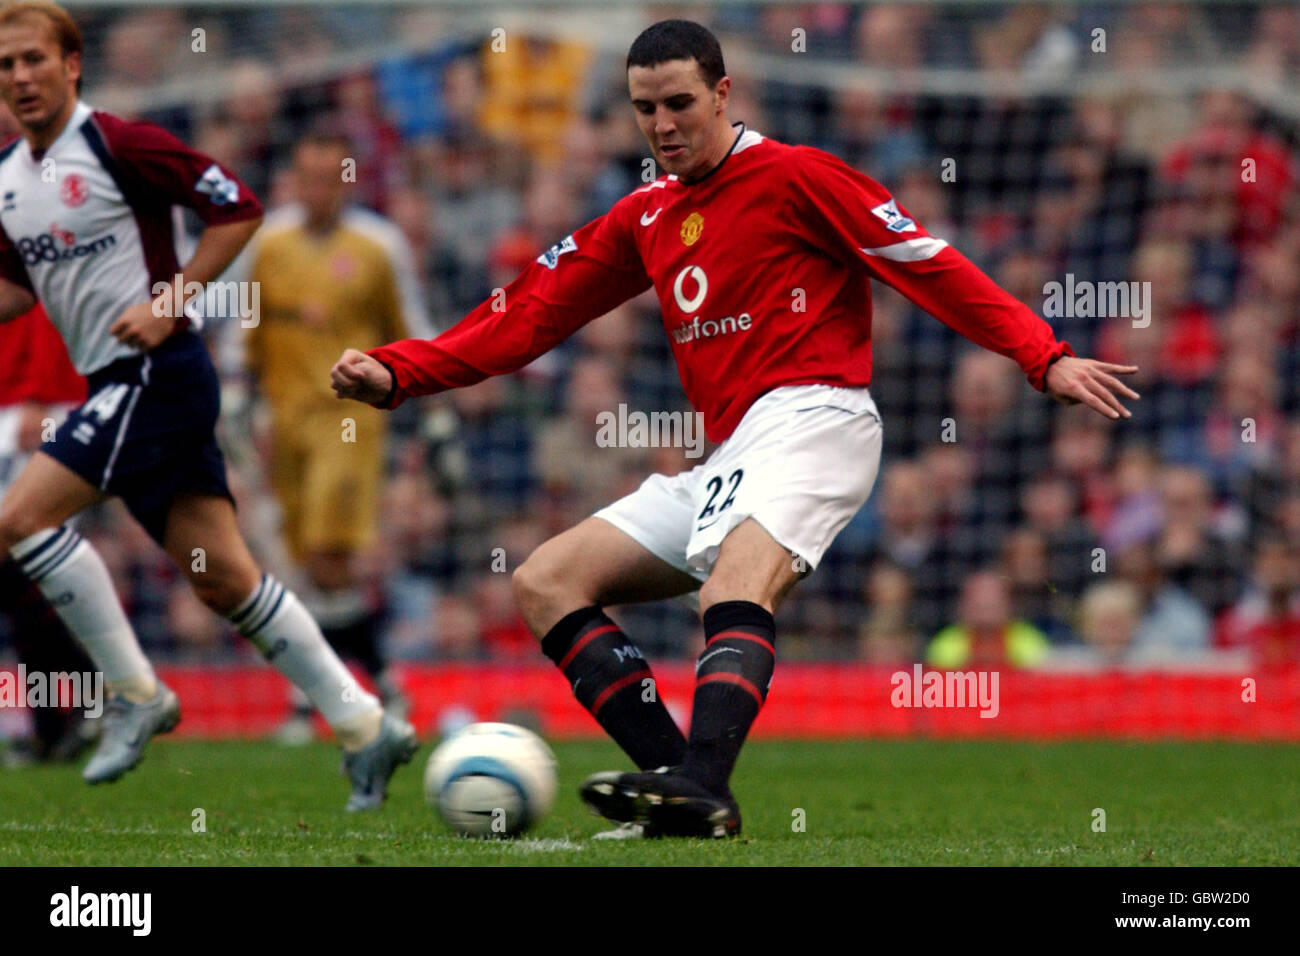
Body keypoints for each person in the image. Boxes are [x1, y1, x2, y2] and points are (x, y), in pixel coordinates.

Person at [332, 19, 1138, 837]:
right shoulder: (643, 216)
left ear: (723, 94)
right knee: (546, 581)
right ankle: (677, 785)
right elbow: (530, 313)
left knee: (731, 587)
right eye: (645, 108)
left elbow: (927, 260)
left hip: (816, 416)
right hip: (728, 456)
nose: (663, 124)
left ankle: (705, 785)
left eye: (680, 102)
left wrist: (1044, 355)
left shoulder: (798, 177)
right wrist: (404, 370)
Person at [0, 1, 414, 810]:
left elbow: (239, 209)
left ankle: (134, 692)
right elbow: (17, 288)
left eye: (33, 60)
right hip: (118, 384)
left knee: (17, 520)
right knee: (225, 579)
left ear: (71, 65)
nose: (19, 77)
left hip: (157, 372)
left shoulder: (120, 143)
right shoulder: (9, 182)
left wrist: (173, 297)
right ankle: (366, 722)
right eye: (5, 65)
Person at [247, 128, 430, 739]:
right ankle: (383, 683)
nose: (319, 189)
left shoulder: (379, 246)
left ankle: (316, 697)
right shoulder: (267, 244)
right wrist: (230, 396)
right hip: (284, 420)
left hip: (349, 419)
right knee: (310, 567)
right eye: (308, 176)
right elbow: (241, 330)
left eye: (332, 176)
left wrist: (434, 414)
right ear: (294, 179)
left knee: (328, 552)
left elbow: (412, 331)